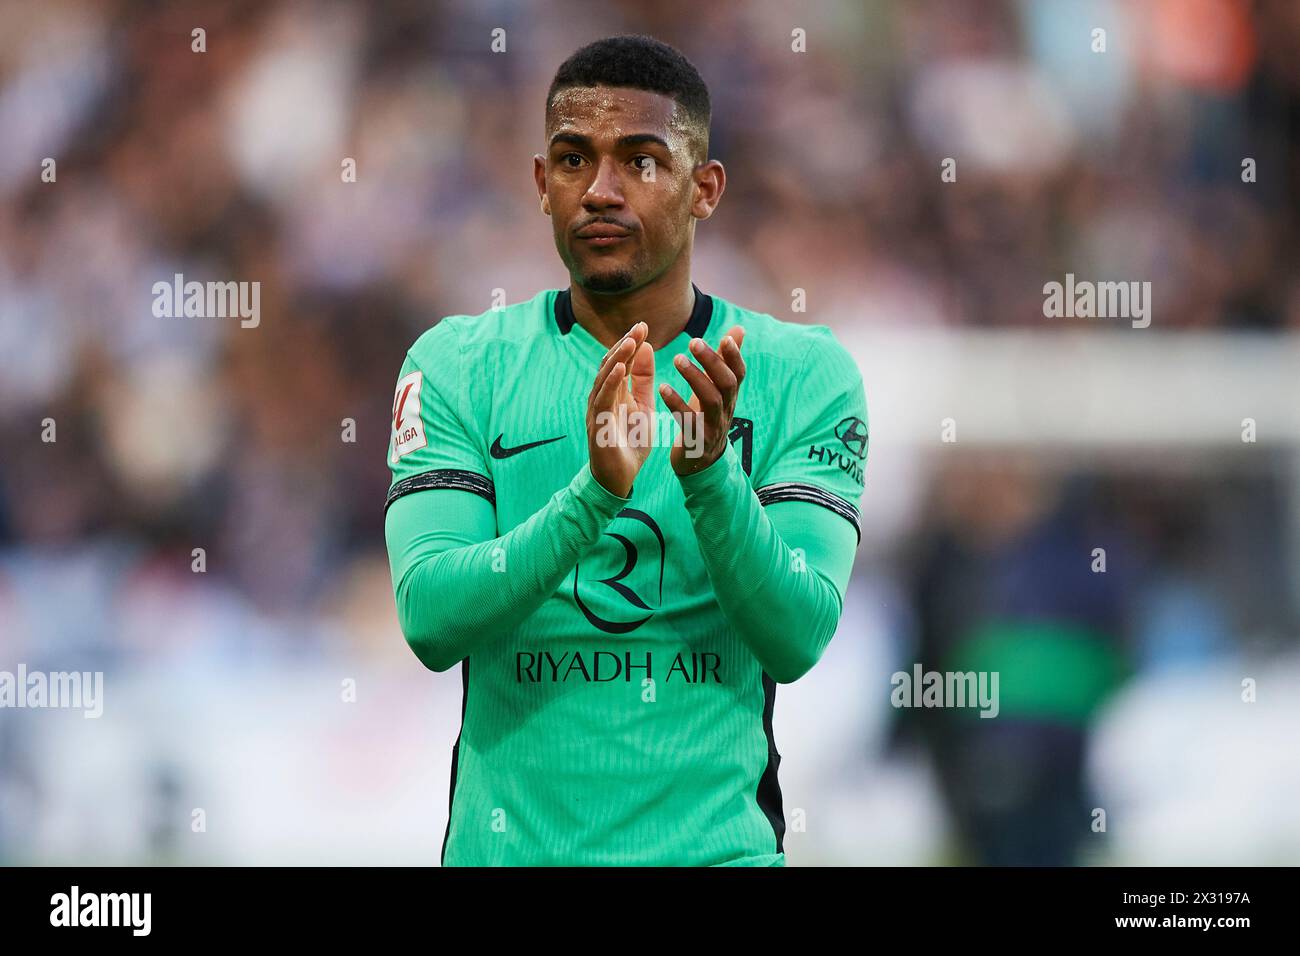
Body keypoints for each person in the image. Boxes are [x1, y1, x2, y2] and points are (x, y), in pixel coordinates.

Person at [384, 34, 868, 866]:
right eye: (574, 160)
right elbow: (429, 620)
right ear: (542, 185)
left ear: (704, 188)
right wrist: (592, 497)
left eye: (641, 162)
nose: (600, 191)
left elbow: (798, 636)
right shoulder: (457, 364)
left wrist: (712, 477)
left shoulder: (800, 376)